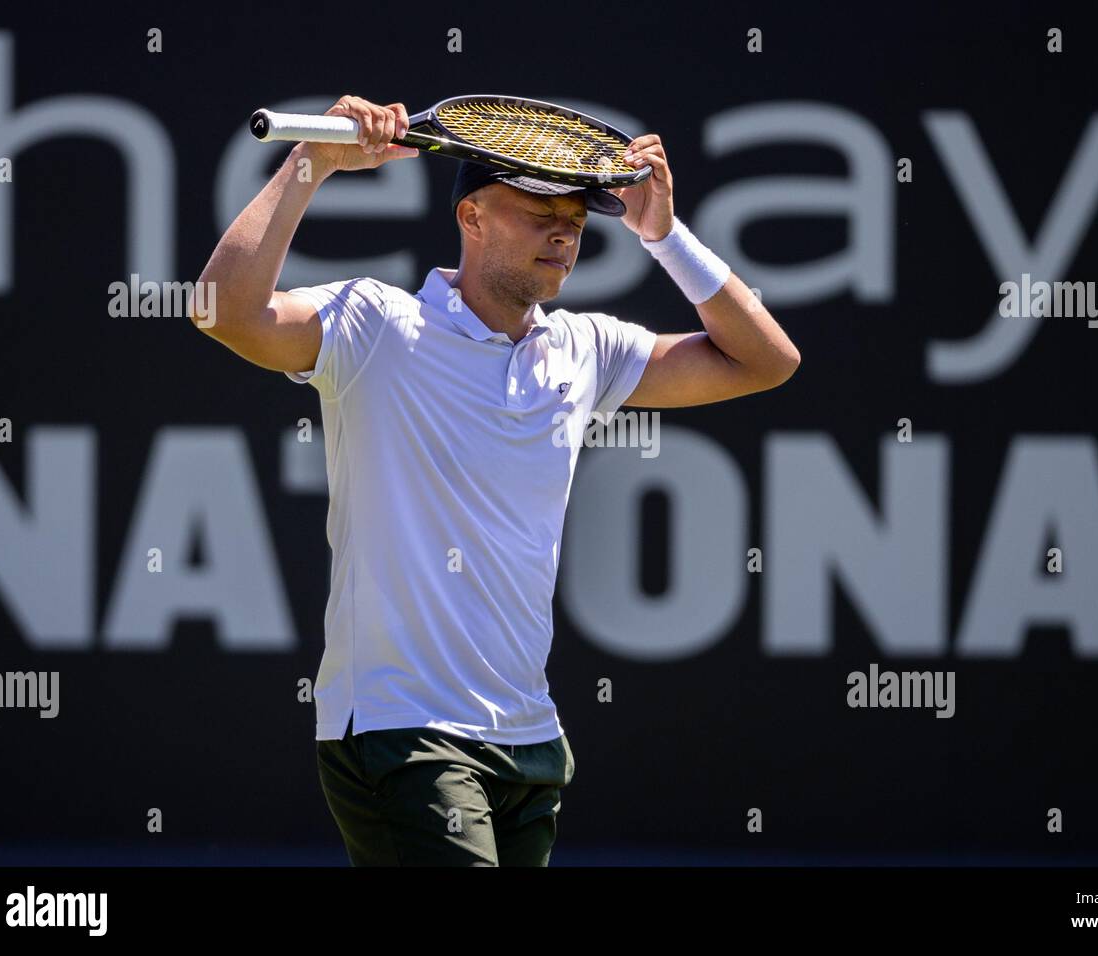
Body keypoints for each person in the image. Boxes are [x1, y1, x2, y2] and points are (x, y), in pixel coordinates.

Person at [191, 95, 801, 866]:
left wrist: (665, 236)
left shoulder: (587, 349)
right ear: (471, 216)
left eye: (577, 216)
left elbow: (767, 361)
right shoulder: (373, 324)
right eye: (538, 208)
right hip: (401, 736)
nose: (564, 231)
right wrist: (310, 164)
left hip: (530, 742)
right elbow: (221, 312)